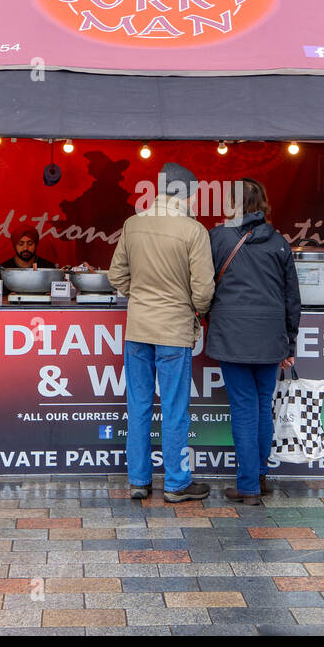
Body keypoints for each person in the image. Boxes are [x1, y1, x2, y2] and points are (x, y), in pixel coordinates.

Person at [109, 163, 214, 503]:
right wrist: (193, 308)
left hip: (137, 328)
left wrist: (139, 297)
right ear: (185, 192)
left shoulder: (132, 224)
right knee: (174, 408)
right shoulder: (193, 230)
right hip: (174, 330)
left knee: (137, 406)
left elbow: (116, 275)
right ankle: (176, 483)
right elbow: (203, 289)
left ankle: (139, 481)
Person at [205, 178, 301, 505]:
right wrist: (289, 342)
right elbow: (292, 298)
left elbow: (203, 286)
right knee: (262, 406)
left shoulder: (216, 238)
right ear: (262, 203)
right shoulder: (280, 243)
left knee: (244, 407)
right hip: (270, 337)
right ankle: (259, 474)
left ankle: (248, 486)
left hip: (232, 335)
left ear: (231, 204)